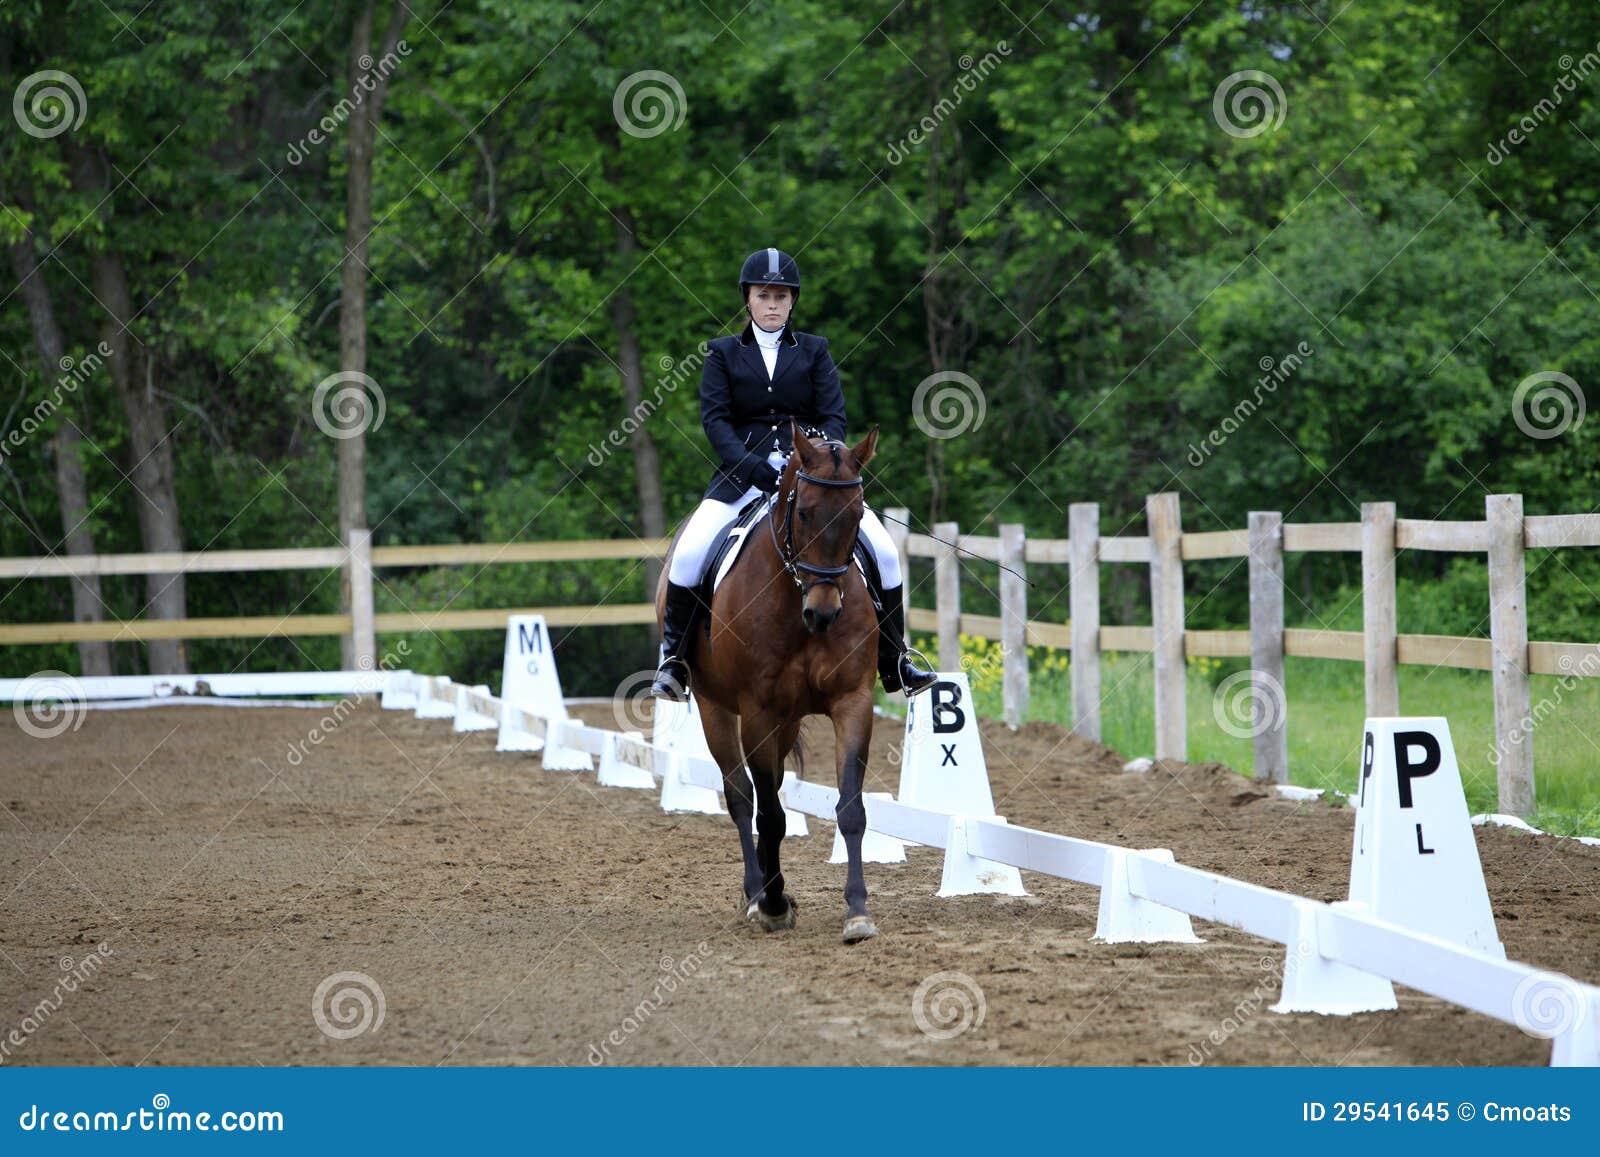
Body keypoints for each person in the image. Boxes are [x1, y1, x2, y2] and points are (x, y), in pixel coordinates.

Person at [651, 247, 936, 702]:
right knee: (688, 553)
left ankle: (897, 658)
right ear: (748, 299)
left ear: (791, 302)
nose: (772, 304)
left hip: (814, 481)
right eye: (764, 295)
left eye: (781, 296)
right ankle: (674, 662)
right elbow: (716, 422)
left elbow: (834, 416)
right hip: (743, 478)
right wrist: (754, 468)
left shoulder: (815, 351)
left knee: (883, 550)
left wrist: (821, 460)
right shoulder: (722, 353)